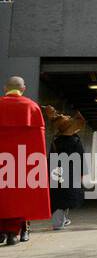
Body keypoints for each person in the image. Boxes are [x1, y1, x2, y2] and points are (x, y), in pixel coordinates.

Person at [0, 76, 48, 246]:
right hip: (23, 164)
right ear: (24, 88)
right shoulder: (32, 107)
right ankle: (14, 232)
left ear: (6, 88)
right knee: (21, 195)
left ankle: (2, 231)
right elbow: (37, 142)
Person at [48, 110, 87, 231]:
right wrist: (82, 174)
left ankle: (59, 221)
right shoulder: (76, 141)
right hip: (72, 171)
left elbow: (51, 157)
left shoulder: (55, 141)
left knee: (57, 196)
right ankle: (61, 221)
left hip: (56, 170)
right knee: (69, 195)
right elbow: (81, 158)